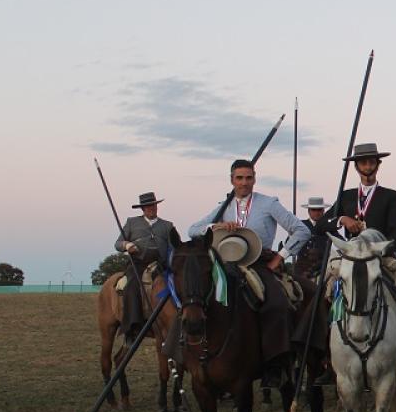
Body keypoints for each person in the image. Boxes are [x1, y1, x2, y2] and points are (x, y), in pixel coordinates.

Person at [189, 159, 311, 387]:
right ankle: (188, 355)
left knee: (277, 304)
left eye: (248, 178)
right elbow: (192, 230)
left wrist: (279, 258)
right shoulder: (223, 207)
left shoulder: (269, 203)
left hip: (259, 263)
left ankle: (276, 363)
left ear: (254, 179)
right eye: (239, 178)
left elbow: (301, 230)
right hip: (226, 266)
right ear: (231, 180)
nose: (244, 183)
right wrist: (215, 226)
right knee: (196, 299)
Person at [316, 142, 396, 248]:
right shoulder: (345, 196)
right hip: (352, 252)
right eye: (363, 163)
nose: (368, 167)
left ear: (378, 165)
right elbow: (320, 225)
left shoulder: (391, 196)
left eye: (372, 162)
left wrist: (381, 250)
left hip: (379, 253)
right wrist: (342, 219)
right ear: (356, 166)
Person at [114, 192, 175, 340]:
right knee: (132, 286)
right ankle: (133, 326)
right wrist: (127, 245)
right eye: (148, 206)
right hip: (138, 263)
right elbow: (118, 244)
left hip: (161, 264)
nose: (151, 208)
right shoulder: (132, 222)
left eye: (153, 205)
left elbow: (174, 246)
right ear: (143, 209)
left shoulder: (167, 226)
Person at [293, 195, 331, 278]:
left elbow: (339, 240)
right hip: (302, 269)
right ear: (309, 211)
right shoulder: (300, 225)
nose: (317, 212)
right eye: (314, 210)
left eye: (319, 210)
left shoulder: (329, 226)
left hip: (323, 268)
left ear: (323, 211)